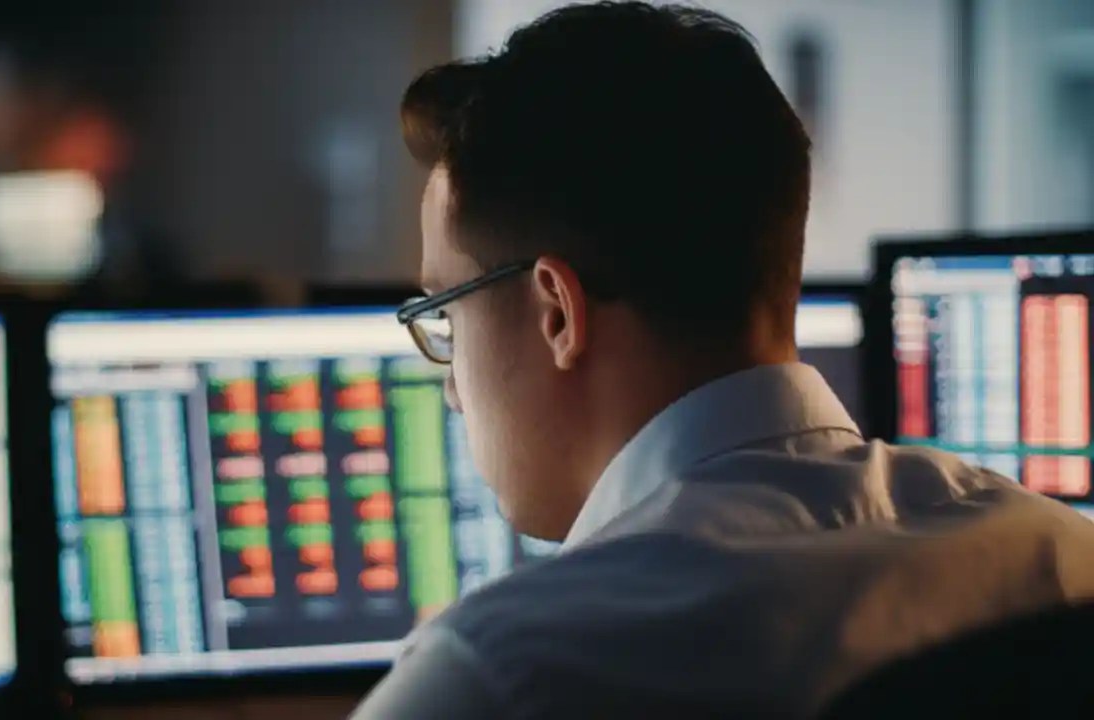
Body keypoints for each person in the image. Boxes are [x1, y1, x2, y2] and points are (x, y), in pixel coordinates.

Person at [353, 3, 1094, 718]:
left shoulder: (497, 676)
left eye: (446, 312)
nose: (451, 389)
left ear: (556, 312)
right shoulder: (1064, 562)